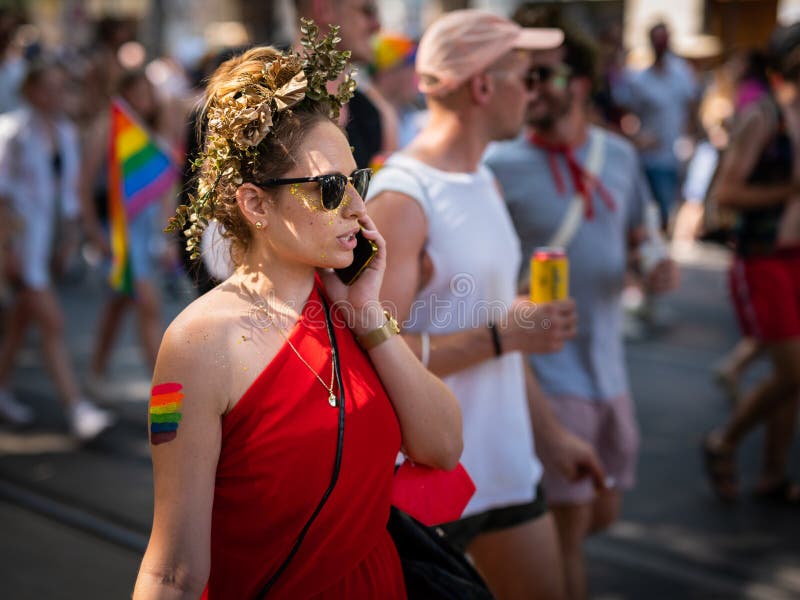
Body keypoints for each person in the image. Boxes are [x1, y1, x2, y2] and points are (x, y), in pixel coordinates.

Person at [132, 27, 462, 599]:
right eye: (330, 188)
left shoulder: (350, 307)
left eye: (358, 180)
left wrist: (369, 317)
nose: (358, 208)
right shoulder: (200, 341)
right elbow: (172, 571)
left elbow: (443, 446)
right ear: (255, 203)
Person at [367, 11, 605, 600]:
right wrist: (503, 335)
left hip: (508, 470)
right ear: (481, 85)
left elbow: (506, 343)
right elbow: (374, 358)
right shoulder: (403, 195)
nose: (534, 91)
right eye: (525, 76)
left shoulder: (484, 182)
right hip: (428, 481)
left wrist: (551, 438)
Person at [484, 22, 679, 600]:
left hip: (609, 373)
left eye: (544, 74)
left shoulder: (617, 155)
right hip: (546, 377)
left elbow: (641, 232)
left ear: (582, 82)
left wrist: (655, 262)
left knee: (602, 513)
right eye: (525, 74)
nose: (531, 86)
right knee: (567, 537)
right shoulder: (498, 165)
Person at [704, 23, 800, 505]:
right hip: (764, 258)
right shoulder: (764, 117)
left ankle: (773, 473)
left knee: (795, 380)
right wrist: (787, 191)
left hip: (795, 256)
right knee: (792, 374)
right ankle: (724, 440)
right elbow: (727, 193)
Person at [0, 60, 114, 439]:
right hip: (17, 248)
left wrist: (69, 239)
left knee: (18, 325)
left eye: (60, 87)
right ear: (31, 90)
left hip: (46, 245)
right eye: (48, 87)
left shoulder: (64, 132)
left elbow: (67, 194)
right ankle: (76, 408)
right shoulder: (11, 132)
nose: (56, 95)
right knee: (52, 323)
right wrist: (8, 250)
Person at [79, 70, 182, 394]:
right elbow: (82, 186)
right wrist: (95, 232)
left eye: (148, 92)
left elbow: (165, 187)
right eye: (138, 92)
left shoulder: (153, 129)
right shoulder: (108, 127)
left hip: (151, 234)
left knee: (120, 304)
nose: (145, 99)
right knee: (148, 304)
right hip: (123, 233)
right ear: (123, 91)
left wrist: (167, 236)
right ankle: (164, 393)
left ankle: (95, 372)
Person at [293, 0, 397, 169]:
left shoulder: (372, 114)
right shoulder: (260, 104)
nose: (377, 25)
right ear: (324, 9)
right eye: (367, 10)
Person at [615, 22, 698, 231]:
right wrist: (637, 139)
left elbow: (692, 109)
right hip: (647, 157)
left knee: (665, 212)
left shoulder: (682, 74)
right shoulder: (639, 79)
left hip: (672, 155)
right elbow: (625, 115)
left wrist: (689, 139)